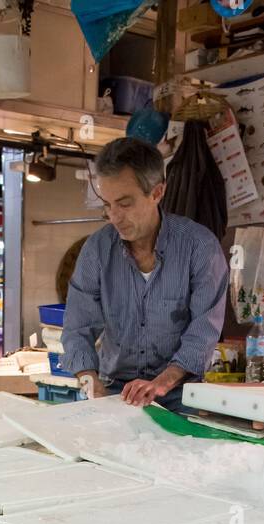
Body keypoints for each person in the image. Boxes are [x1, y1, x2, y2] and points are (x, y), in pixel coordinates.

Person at [62, 137, 229, 409]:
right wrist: (88, 380)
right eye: (107, 204)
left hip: (179, 395)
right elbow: (78, 327)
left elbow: (204, 330)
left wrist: (162, 382)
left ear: (157, 193)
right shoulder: (97, 249)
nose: (114, 216)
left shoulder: (199, 246)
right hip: (114, 391)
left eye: (125, 203)